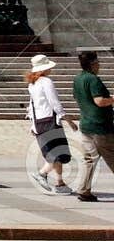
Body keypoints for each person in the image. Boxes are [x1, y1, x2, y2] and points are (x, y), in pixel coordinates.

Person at [26, 54, 73, 195]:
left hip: (39, 123)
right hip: (50, 121)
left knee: (54, 153)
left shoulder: (32, 83)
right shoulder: (46, 81)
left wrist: (32, 124)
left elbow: (32, 105)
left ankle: (60, 183)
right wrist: (67, 119)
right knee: (61, 153)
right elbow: (54, 102)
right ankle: (42, 174)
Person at [72, 50, 114, 202]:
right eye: (98, 62)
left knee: (89, 159)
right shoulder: (94, 79)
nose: (99, 65)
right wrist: (113, 99)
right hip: (100, 127)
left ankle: (84, 190)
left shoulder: (77, 78)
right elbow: (99, 101)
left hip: (86, 125)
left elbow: (77, 97)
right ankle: (84, 190)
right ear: (93, 64)